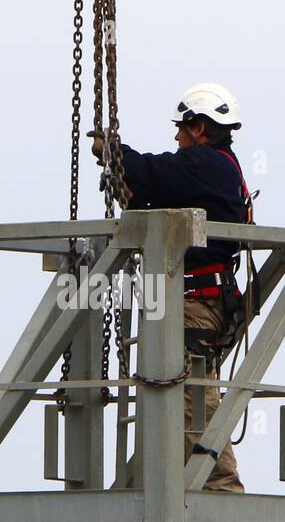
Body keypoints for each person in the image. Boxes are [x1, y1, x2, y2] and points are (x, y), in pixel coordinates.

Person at [90, 83, 253, 492]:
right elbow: (155, 194)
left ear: (200, 127)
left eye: (182, 128)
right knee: (189, 395)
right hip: (202, 300)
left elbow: (152, 172)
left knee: (191, 398)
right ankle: (196, 486)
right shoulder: (216, 170)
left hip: (197, 302)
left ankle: (220, 487)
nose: (177, 137)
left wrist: (113, 152)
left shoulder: (205, 164)